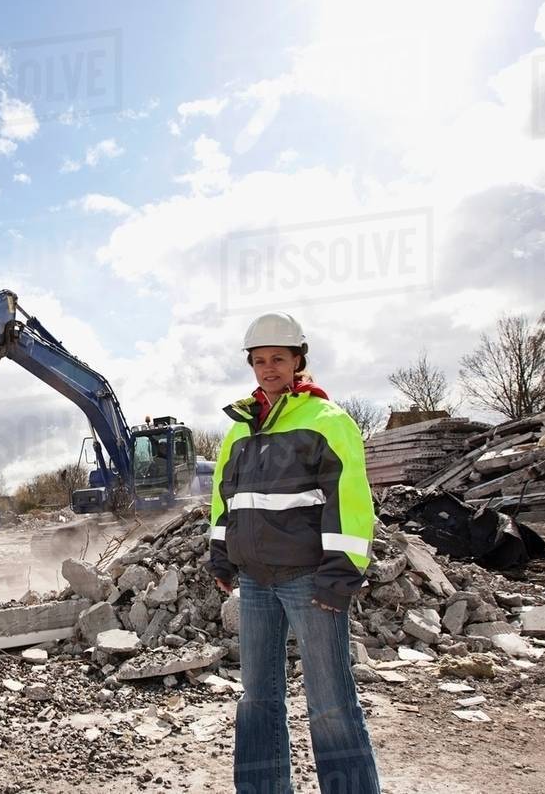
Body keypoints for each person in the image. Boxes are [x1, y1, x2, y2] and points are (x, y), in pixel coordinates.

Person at [207, 312, 381, 794]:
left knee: (330, 702)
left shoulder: (327, 420)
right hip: (256, 581)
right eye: (259, 361)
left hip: (310, 580)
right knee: (257, 699)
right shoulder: (240, 430)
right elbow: (225, 500)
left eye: (278, 359)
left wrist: (340, 575)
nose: (268, 369)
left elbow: (349, 501)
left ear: (298, 360)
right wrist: (221, 555)